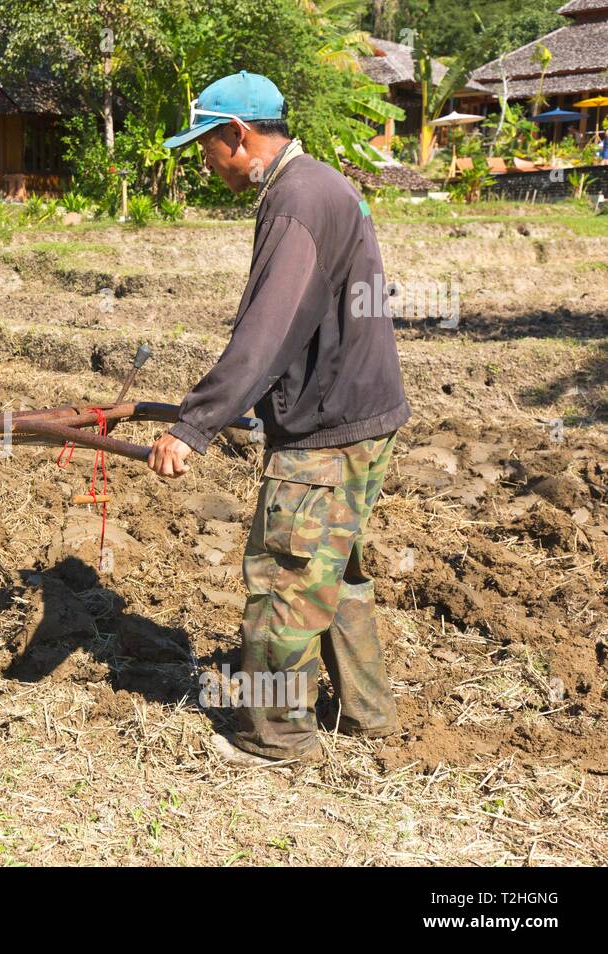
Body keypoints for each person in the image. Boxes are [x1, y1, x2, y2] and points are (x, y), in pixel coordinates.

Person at [149, 72, 410, 768]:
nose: (205, 161)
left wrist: (194, 424)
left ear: (239, 134)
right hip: (360, 414)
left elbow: (267, 331)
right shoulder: (323, 184)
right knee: (335, 571)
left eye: (207, 145)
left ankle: (277, 739)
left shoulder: (294, 201)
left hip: (330, 427)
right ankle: (368, 715)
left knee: (283, 578)